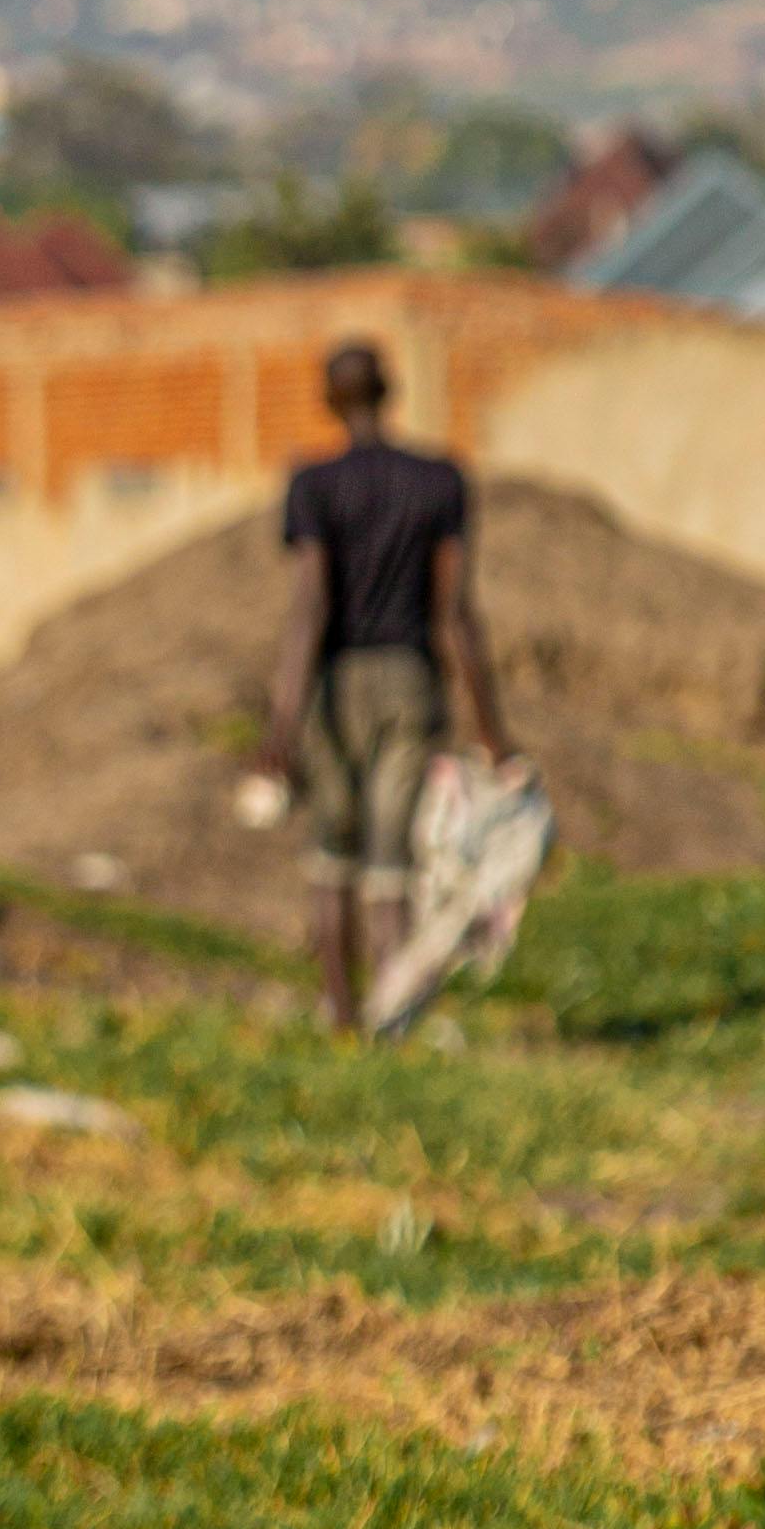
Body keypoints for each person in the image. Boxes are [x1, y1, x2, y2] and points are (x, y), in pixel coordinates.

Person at [266, 341, 509, 1035]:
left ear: (330, 401)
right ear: (391, 392)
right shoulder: (441, 481)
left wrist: (282, 723)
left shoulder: (313, 485)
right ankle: (394, 1020)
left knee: (331, 857)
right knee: (391, 859)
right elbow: (455, 612)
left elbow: (309, 606)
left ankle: (343, 1018)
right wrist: (492, 730)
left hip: (336, 685)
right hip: (408, 678)